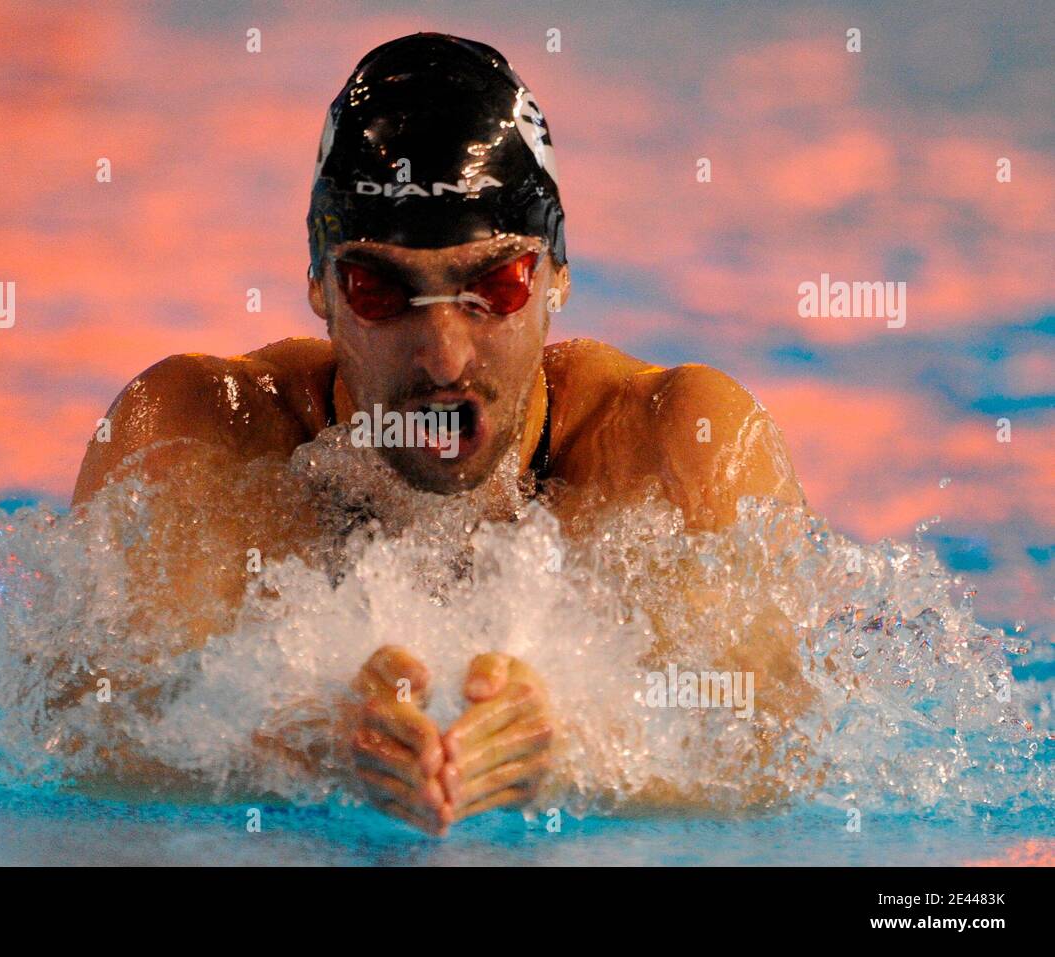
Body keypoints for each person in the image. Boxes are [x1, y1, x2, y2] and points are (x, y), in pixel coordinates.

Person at [71, 33, 804, 835]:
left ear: (557, 274)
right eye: (381, 289)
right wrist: (294, 745)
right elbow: (75, 741)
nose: (445, 356)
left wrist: (587, 758)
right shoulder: (201, 434)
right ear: (319, 284)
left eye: (496, 283)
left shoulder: (677, 447)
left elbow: (786, 761)